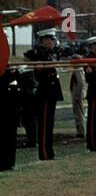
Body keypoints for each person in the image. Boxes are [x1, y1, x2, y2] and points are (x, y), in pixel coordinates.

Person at [25, 28, 63, 161]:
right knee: (44, 124)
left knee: (49, 124)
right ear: (44, 40)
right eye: (51, 39)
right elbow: (29, 55)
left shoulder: (50, 53)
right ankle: (44, 153)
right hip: (45, 93)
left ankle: (49, 151)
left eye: (53, 39)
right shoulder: (38, 53)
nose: (53, 42)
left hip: (51, 93)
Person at [0, 67, 19, 171]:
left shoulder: (10, 72)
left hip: (11, 105)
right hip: (4, 104)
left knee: (10, 134)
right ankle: (4, 163)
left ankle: (9, 162)